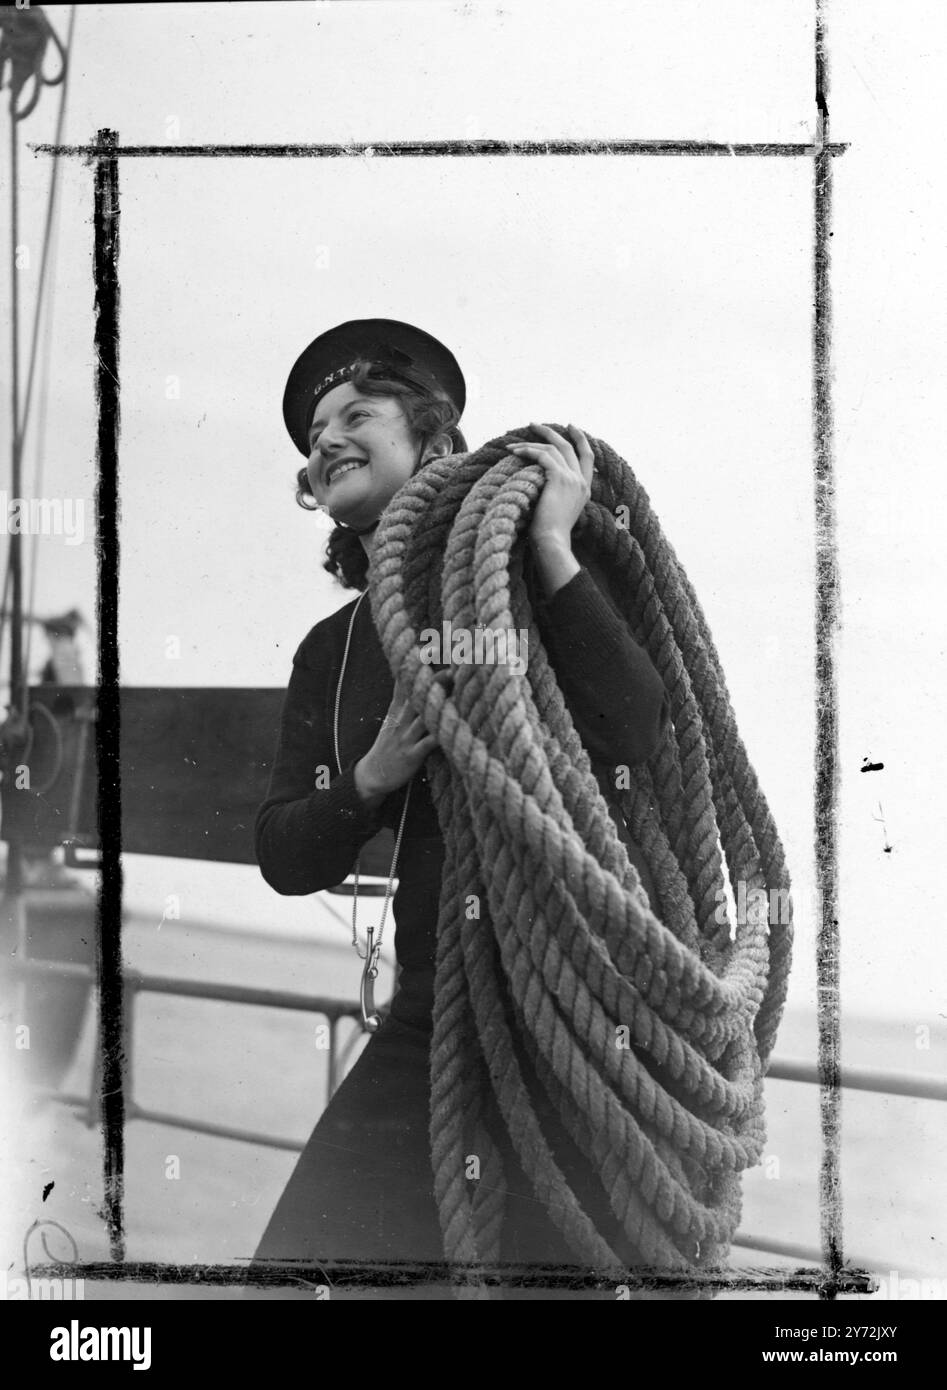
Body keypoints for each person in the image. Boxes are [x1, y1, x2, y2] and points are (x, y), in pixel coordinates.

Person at [250, 319, 671, 1298]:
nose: (327, 438)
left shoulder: (538, 581)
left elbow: (634, 728)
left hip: (573, 1029)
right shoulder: (336, 649)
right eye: (315, 433)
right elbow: (282, 852)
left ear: (436, 446)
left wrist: (553, 546)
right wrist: (373, 774)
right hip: (432, 1019)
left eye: (357, 415)